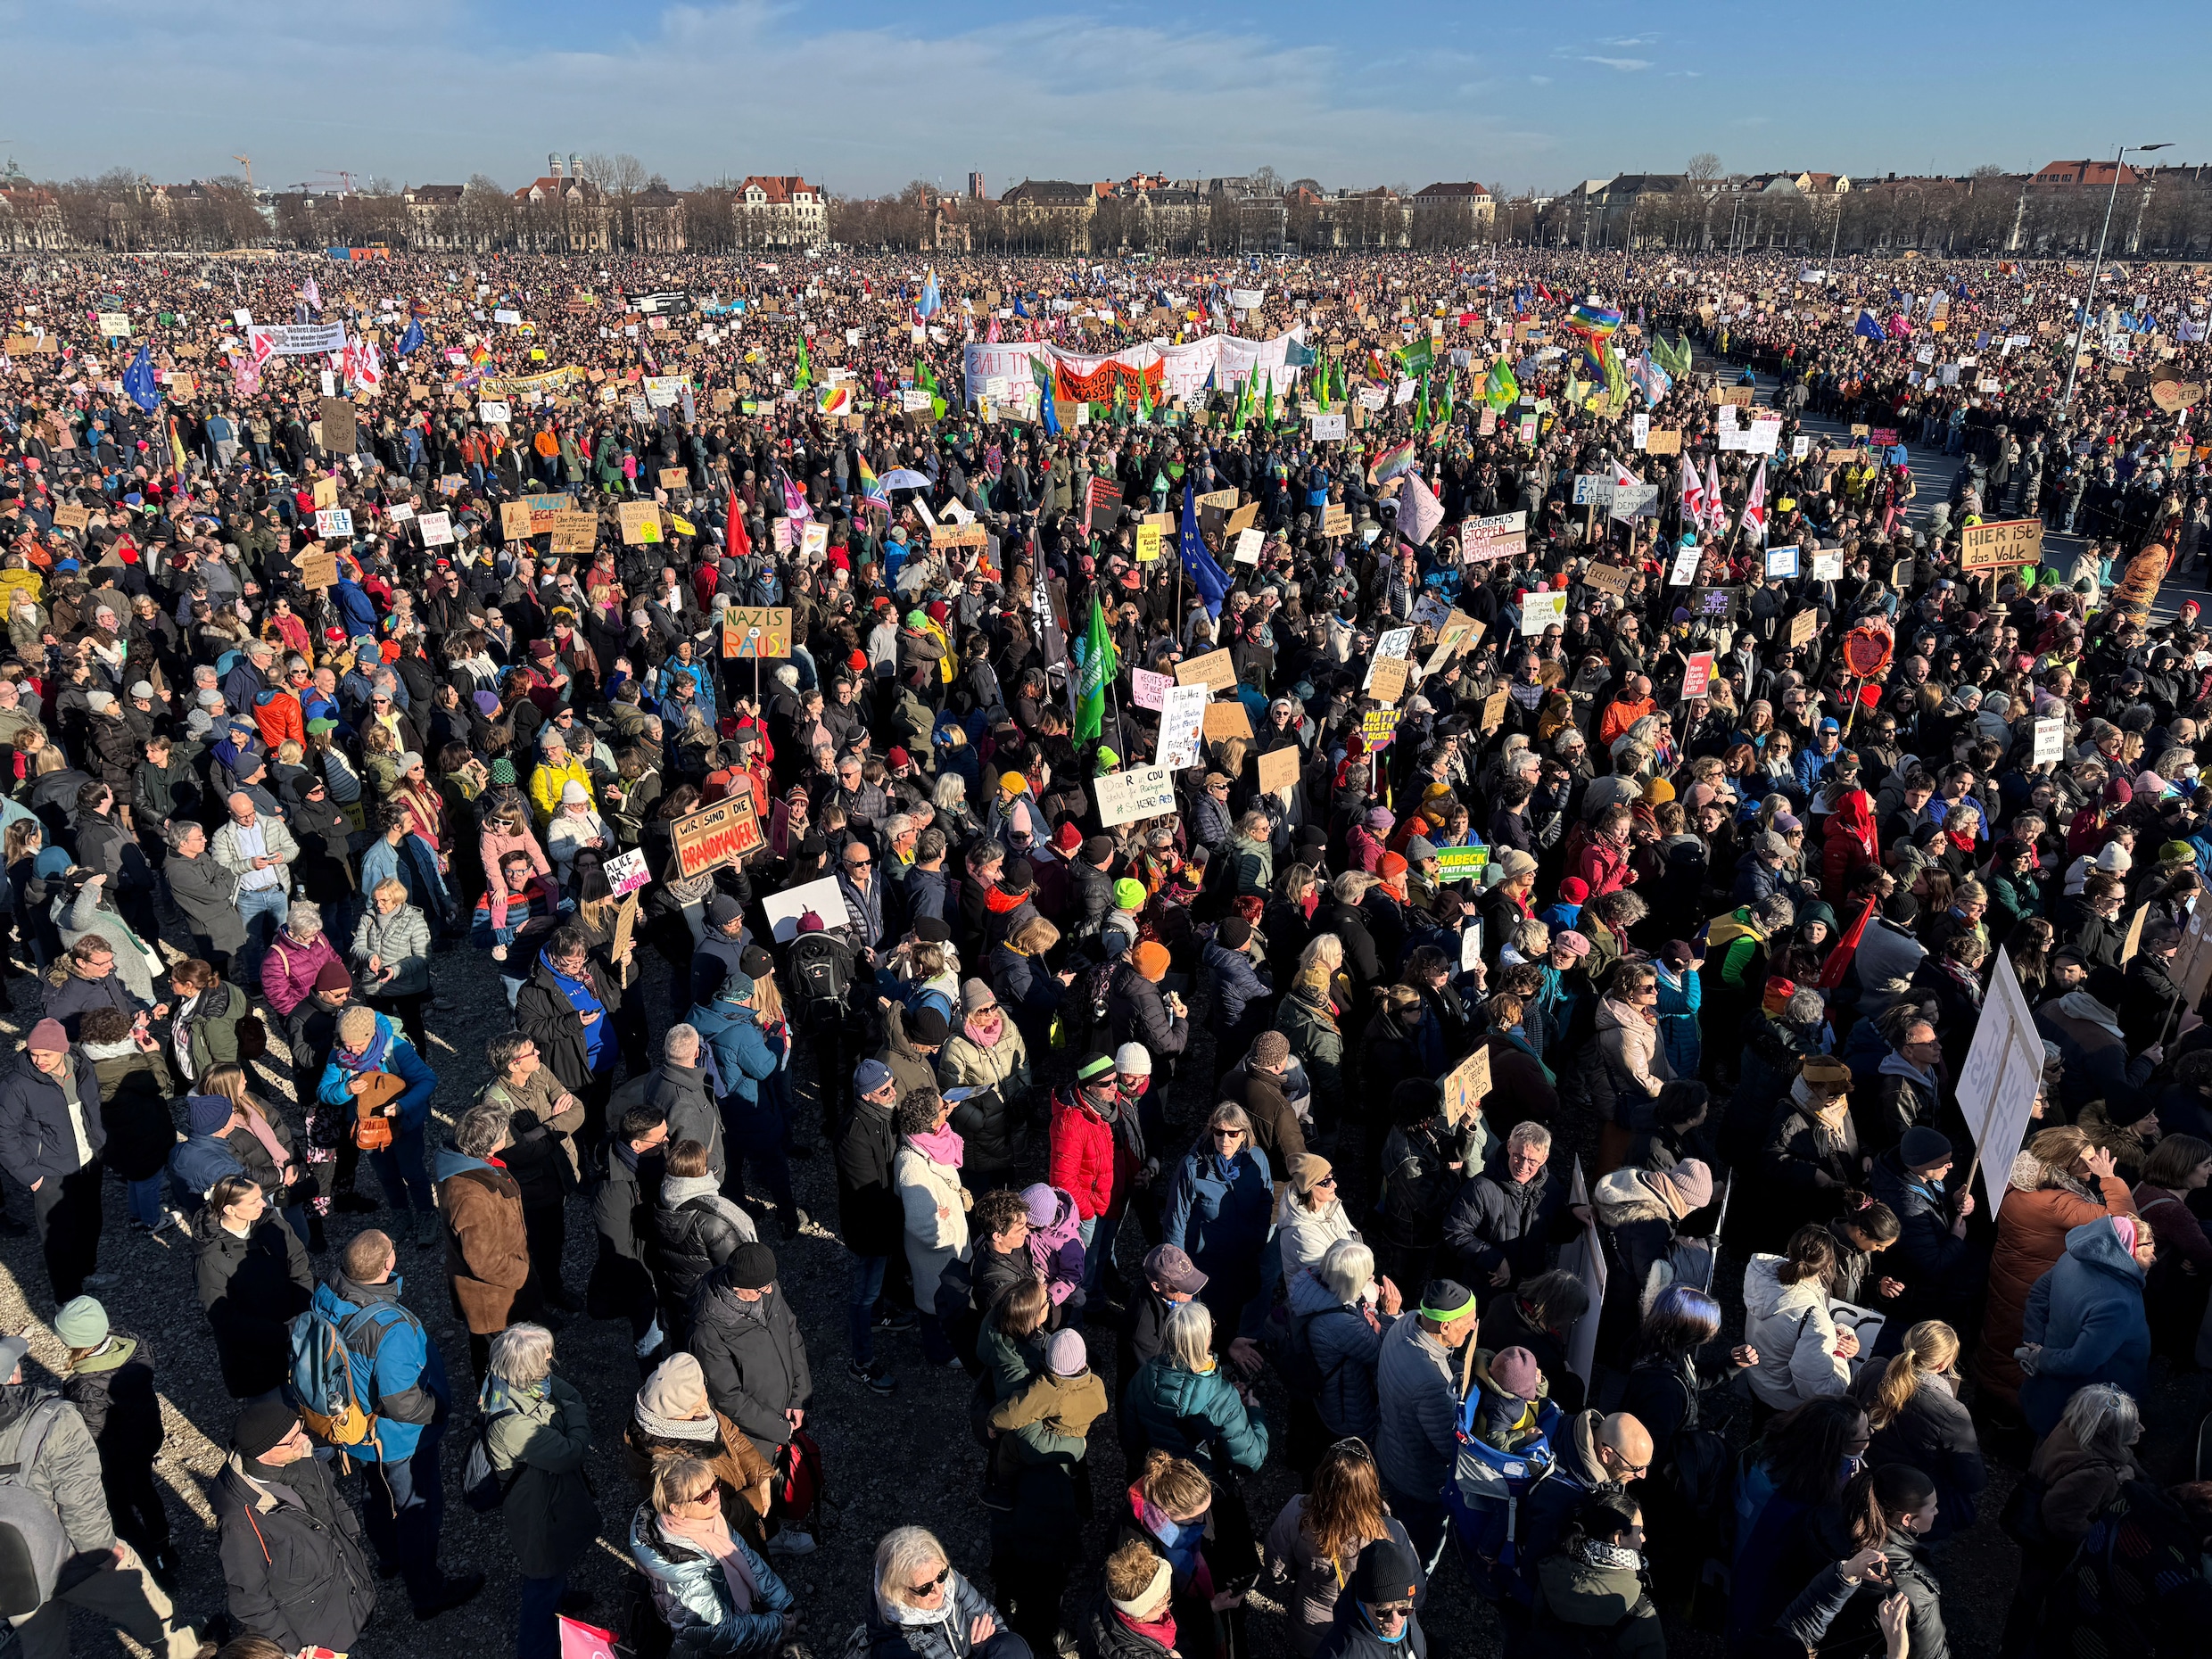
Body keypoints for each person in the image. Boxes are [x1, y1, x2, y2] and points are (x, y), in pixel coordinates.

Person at [310, 1228, 484, 1618]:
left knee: (374, 1491)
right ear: (388, 1264)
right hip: (398, 1439)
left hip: (356, 1431)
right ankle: (425, 1590)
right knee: (416, 1508)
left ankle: (388, 1558)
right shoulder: (390, 1328)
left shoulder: (328, 1295)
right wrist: (437, 1410)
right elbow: (402, 1402)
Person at [211, 1395, 377, 1653]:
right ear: (265, 1454)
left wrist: (351, 1535)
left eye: (300, 1429)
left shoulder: (299, 1457)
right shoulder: (240, 1520)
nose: (305, 1439)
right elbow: (251, 1600)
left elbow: (331, 1496)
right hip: (316, 1632)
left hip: (347, 1588)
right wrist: (291, 1648)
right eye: (293, 1438)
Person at [481, 1324, 601, 1659]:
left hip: (548, 1496)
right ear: (526, 1368)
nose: (551, 1359)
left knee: (554, 1562)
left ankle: (560, 1601)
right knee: (542, 1575)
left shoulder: (506, 1381)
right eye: (545, 1356)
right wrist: (575, 1413)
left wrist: (569, 1405)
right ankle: (536, 1649)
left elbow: (564, 1393)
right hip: (537, 1509)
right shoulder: (511, 1424)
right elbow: (571, 1451)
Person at [688, 1242, 816, 1554]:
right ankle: (770, 1538)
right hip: (751, 1433)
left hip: (782, 1414)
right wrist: (778, 1430)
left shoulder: (767, 1290)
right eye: (759, 1289)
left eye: (769, 1285)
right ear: (737, 1286)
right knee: (759, 1485)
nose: (767, 1292)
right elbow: (728, 1397)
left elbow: (791, 1334)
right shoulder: (710, 1331)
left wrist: (798, 1397)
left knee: (782, 1473)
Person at [1263, 1439, 1423, 1656]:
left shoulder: (1296, 1513)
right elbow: (1416, 1589)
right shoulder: (1390, 1530)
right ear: (1370, 1485)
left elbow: (1276, 1570)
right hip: (1369, 1630)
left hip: (1313, 1624)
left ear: (1321, 1478)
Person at [53, 1296, 171, 1586]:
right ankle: (166, 1548)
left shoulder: (87, 1388)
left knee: (118, 1512)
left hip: (114, 1460)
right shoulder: (134, 1349)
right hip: (144, 1442)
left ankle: (154, 1567)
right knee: (146, 1493)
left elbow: (91, 1436)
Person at [630, 1453, 796, 1658]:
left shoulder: (708, 1520)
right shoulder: (685, 1575)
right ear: (677, 1509)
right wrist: (778, 1625)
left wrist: (783, 1602)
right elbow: (722, 1632)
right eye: (704, 1496)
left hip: (734, 1617)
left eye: (715, 1485)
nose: (716, 1495)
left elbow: (746, 1556)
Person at [0, 1019, 112, 1303]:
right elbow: (4, 1134)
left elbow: (93, 1106)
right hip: (50, 1173)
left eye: (46, 1055)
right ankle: (68, 1298)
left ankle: (87, 1272)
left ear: (63, 1050)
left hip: (89, 1161)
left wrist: (101, 1142)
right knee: (58, 1237)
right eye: (33, 1053)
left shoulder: (81, 1066)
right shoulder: (16, 1084)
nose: (38, 1060)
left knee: (90, 1222)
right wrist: (32, 1177)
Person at [476, 1028, 587, 1309]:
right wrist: (555, 1120)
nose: (539, 1053)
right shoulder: (495, 1102)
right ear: (514, 1065)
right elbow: (521, 1153)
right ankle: (540, 1299)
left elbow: (578, 1110)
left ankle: (551, 1288)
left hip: (558, 1174)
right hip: (532, 1189)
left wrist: (542, 1129)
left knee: (554, 1239)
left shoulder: (537, 1071)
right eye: (531, 1052)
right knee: (536, 1247)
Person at [1374, 1278, 1480, 1571]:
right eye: (1467, 1322)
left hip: (1390, 1453)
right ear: (1444, 1326)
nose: (1472, 1327)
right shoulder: (1431, 1383)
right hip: (1416, 1483)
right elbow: (1450, 1448)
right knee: (1416, 1552)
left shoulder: (1408, 1321)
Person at [624, 1351, 777, 1553]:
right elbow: (717, 1514)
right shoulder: (672, 1466)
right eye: (700, 1392)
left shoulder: (694, 1415)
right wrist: (758, 1498)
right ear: (681, 1409)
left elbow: (732, 1436)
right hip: (726, 1542)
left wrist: (761, 1475)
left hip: (743, 1515)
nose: (706, 1394)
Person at [2018, 1215, 2157, 1436]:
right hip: (2090, 1414)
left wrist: (2033, 1341)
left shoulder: (2072, 1260)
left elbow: (2038, 1295)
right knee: (2069, 1462)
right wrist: (2039, 1357)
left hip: (2048, 1393)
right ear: (2124, 1246)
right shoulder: (2116, 1301)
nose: (2154, 1256)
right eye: (2147, 1246)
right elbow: (2080, 1362)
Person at [1848, 1320, 1985, 1541]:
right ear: (1942, 1365)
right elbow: (1972, 1479)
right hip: (1911, 1506)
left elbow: (1846, 1415)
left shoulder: (1873, 1369)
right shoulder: (1951, 1412)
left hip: (1861, 1484)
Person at [318, 1002, 440, 1245]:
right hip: (369, 1129)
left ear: (371, 1035)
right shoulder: (339, 1055)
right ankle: (401, 1215)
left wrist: (403, 1105)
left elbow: (427, 1080)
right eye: (347, 1045)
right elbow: (324, 1092)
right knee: (386, 1174)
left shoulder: (397, 1049)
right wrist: (345, 1089)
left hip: (404, 1124)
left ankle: (427, 1215)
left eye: (357, 1046)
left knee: (412, 1171)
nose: (352, 1052)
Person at [436, 1102, 542, 1379]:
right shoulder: (472, 1196)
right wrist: (524, 1275)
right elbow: (484, 1261)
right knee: (496, 1362)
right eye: (503, 1131)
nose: (508, 1134)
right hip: (493, 1300)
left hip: (499, 1291)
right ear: (490, 1144)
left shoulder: (475, 1166)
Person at [192, 1174, 311, 1399]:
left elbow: (298, 1264)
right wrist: (281, 1332)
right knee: (274, 1408)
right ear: (230, 1210)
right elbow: (224, 1317)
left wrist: (302, 1312)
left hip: (295, 1324)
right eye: (254, 1201)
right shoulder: (210, 1258)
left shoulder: (272, 1223)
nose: (264, 1204)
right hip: (254, 1352)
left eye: (261, 1197)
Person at [1161, 1103, 1275, 1338]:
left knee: (1236, 1312)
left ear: (1244, 1134)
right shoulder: (1192, 1166)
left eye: (1233, 1133)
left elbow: (1266, 1199)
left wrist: (1258, 1238)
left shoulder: (1257, 1159)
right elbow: (1176, 1219)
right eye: (1219, 1132)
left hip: (1243, 1257)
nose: (1225, 1139)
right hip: (1205, 1261)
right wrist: (1179, 1272)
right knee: (1203, 1322)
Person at [1123, 1299, 1269, 1476]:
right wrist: (1254, 1413)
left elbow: (1131, 1437)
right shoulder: (1224, 1399)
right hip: (1203, 1485)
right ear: (1206, 1339)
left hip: (1160, 1476)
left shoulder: (1142, 1377)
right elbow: (1251, 1460)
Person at [516, 922, 625, 1146]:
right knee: (576, 1122)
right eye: (570, 962)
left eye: (580, 960)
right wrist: (573, 1022)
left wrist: (627, 964)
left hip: (605, 1060)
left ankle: (598, 1149)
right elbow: (530, 1030)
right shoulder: (533, 991)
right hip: (574, 1071)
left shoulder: (589, 969)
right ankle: (580, 1166)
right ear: (555, 955)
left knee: (600, 1109)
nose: (577, 966)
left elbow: (620, 985)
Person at [1519, 1494, 1662, 1659]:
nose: (1643, 1538)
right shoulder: (1641, 1611)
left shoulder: (1551, 1570)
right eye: (1640, 1531)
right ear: (1619, 1537)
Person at [894, 1086, 974, 1366]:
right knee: (935, 1306)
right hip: (938, 1255)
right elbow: (923, 1227)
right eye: (943, 1107)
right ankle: (940, 1353)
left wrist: (945, 1214)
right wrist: (951, 1233)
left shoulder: (930, 1143)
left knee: (949, 1302)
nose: (947, 1107)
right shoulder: (911, 1166)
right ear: (932, 1123)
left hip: (948, 1252)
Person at [863, 1524, 1028, 1659]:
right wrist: (981, 1648)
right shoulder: (900, 1649)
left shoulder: (947, 1580)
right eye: (925, 1588)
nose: (939, 1590)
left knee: (1011, 1646)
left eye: (941, 1576)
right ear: (899, 1592)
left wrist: (985, 1646)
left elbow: (992, 1620)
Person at [351, 875, 433, 1053]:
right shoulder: (368, 916)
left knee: (412, 1027)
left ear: (397, 898)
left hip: (406, 986)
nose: (379, 905)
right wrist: (369, 955)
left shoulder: (414, 920)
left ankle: (418, 1067)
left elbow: (422, 956)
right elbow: (357, 945)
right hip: (374, 984)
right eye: (376, 900)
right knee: (379, 1029)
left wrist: (396, 970)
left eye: (384, 900)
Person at [1311, 1536, 1429, 1659]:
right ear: (1362, 1602)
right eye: (1383, 1612)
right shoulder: (1342, 1653)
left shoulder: (1405, 1612)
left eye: (1404, 1609)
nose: (1396, 1621)